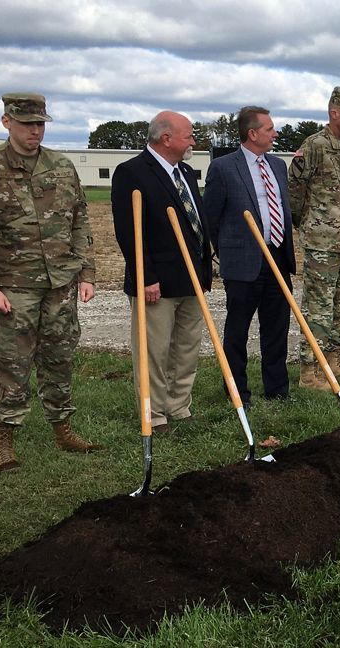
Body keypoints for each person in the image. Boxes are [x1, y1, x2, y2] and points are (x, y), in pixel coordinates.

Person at [0, 93, 100, 472]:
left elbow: (79, 220)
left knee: (60, 358)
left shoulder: (62, 166)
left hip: (61, 284)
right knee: (12, 364)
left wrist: (86, 272)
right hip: (12, 286)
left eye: (40, 124)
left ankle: (62, 428)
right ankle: (5, 439)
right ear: (7, 123)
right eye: (27, 124)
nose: (35, 131)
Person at [110, 111, 213, 433]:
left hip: (192, 277)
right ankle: (154, 413)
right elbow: (129, 232)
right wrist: (146, 276)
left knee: (187, 346)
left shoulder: (185, 171)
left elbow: (196, 222)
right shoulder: (132, 173)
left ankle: (179, 405)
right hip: (156, 281)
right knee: (154, 350)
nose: (193, 141)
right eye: (188, 135)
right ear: (166, 138)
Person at [203, 106, 296, 406]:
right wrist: (228, 251)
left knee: (277, 326)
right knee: (237, 329)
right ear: (252, 133)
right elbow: (211, 218)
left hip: (278, 258)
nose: (275, 133)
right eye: (269, 129)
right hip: (243, 264)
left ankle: (277, 390)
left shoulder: (278, 166)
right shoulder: (224, 168)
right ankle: (237, 391)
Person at [290, 87, 340, 389]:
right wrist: (305, 222)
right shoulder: (314, 145)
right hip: (321, 242)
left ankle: (334, 361)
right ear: (335, 112)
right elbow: (295, 188)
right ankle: (310, 371)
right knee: (318, 308)